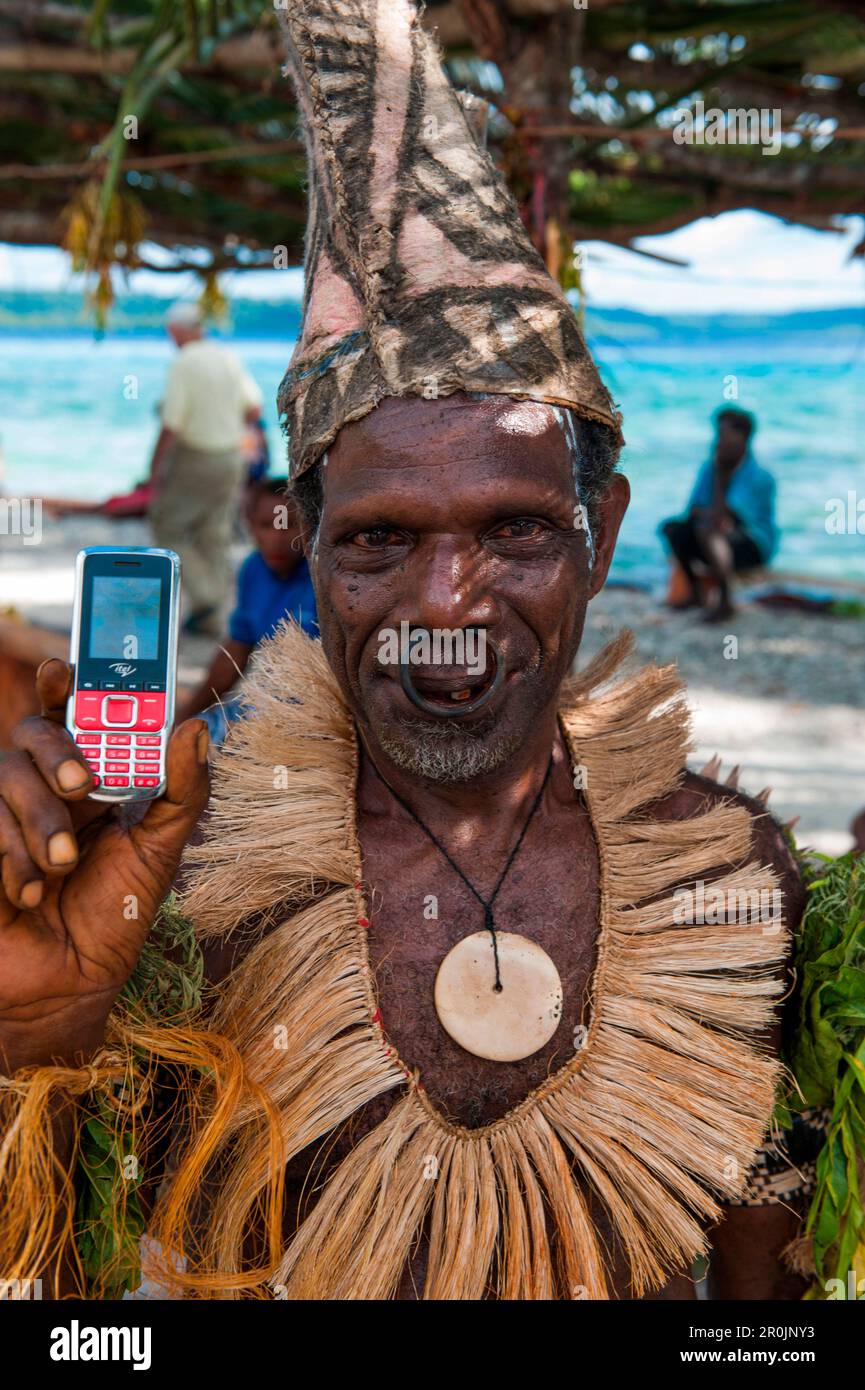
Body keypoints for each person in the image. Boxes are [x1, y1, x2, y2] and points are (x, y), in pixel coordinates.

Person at [0, 0, 810, 1302]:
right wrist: (35, 1044)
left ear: (601, 533)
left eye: (514, 530)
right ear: (298, 540)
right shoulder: (179, 881)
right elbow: (83, 1296)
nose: (448, 596)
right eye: (379, 539)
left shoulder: (729, 884)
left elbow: (766, 1304)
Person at [147, 301, 264, 636]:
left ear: (176, 331)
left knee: (168, 528)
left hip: (196, 456)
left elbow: (172, 424)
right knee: (214, 533)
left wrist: (155, 466)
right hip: (231, 457)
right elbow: (253, 409)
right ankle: (213, 616)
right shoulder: (226, 356)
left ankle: (207, 597)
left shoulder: (184, 362)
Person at [176, 479, 317, 741]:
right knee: (192, 736)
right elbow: (235, 654)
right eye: (266, 525)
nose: (276, 538)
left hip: (320, 713)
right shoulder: (253, 569)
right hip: (272, 704)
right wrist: (184, 716)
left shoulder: (323, 575)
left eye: (288, 525)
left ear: (310, 526)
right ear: (249, 525)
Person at [661, 408, 778, 622]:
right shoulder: (710, 468)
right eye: (718, 434)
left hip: (751, 545)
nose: (718, 441)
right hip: (715, 537)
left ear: (743, 437)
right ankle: (695, 594)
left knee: (708, 531)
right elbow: (694, 510)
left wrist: (721, 476)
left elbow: (729, 516)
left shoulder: (759, 475)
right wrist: (718, 474)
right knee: (673, 528)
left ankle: (725, 601)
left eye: (724, 435)